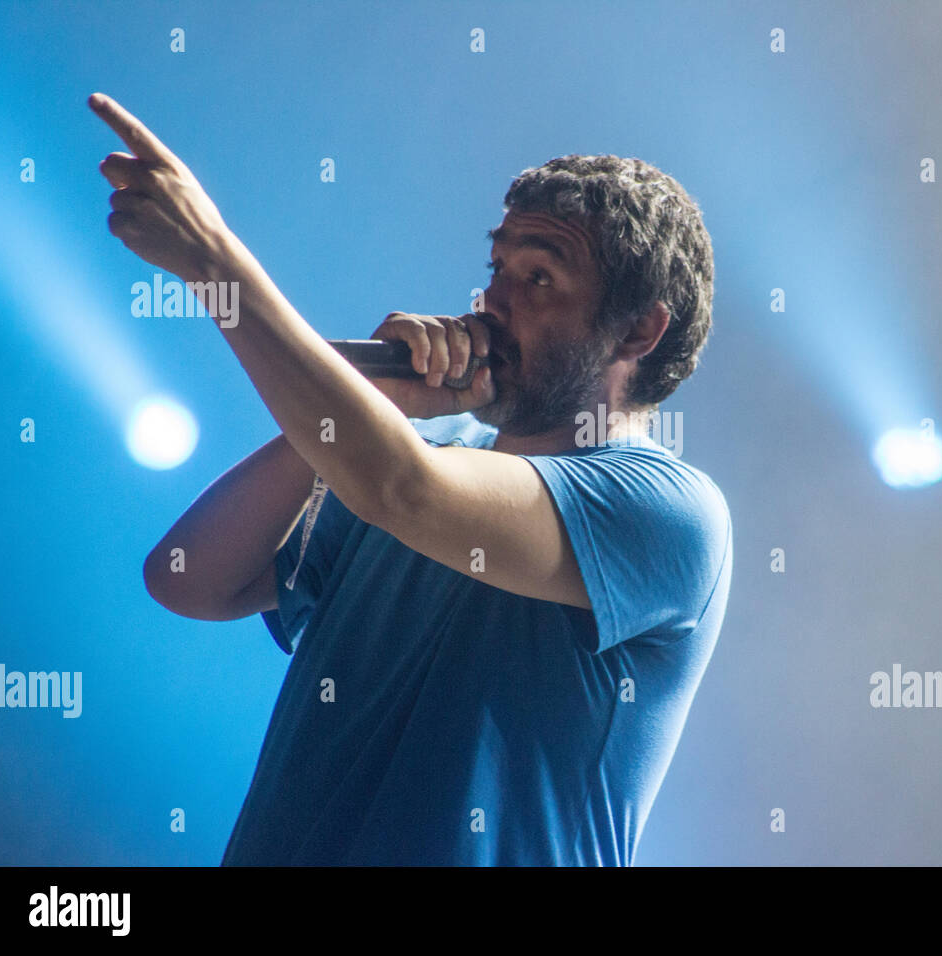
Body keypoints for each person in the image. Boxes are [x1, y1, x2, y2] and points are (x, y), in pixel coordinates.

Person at [90, 92, 732, 865]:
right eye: (496, 266)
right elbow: (189, 579)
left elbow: (405, 490)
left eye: (538, 278)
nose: (493, 300)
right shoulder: (411, 451)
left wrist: (213, 261)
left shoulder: (667, 509)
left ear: (638, 329)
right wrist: (378, 402)